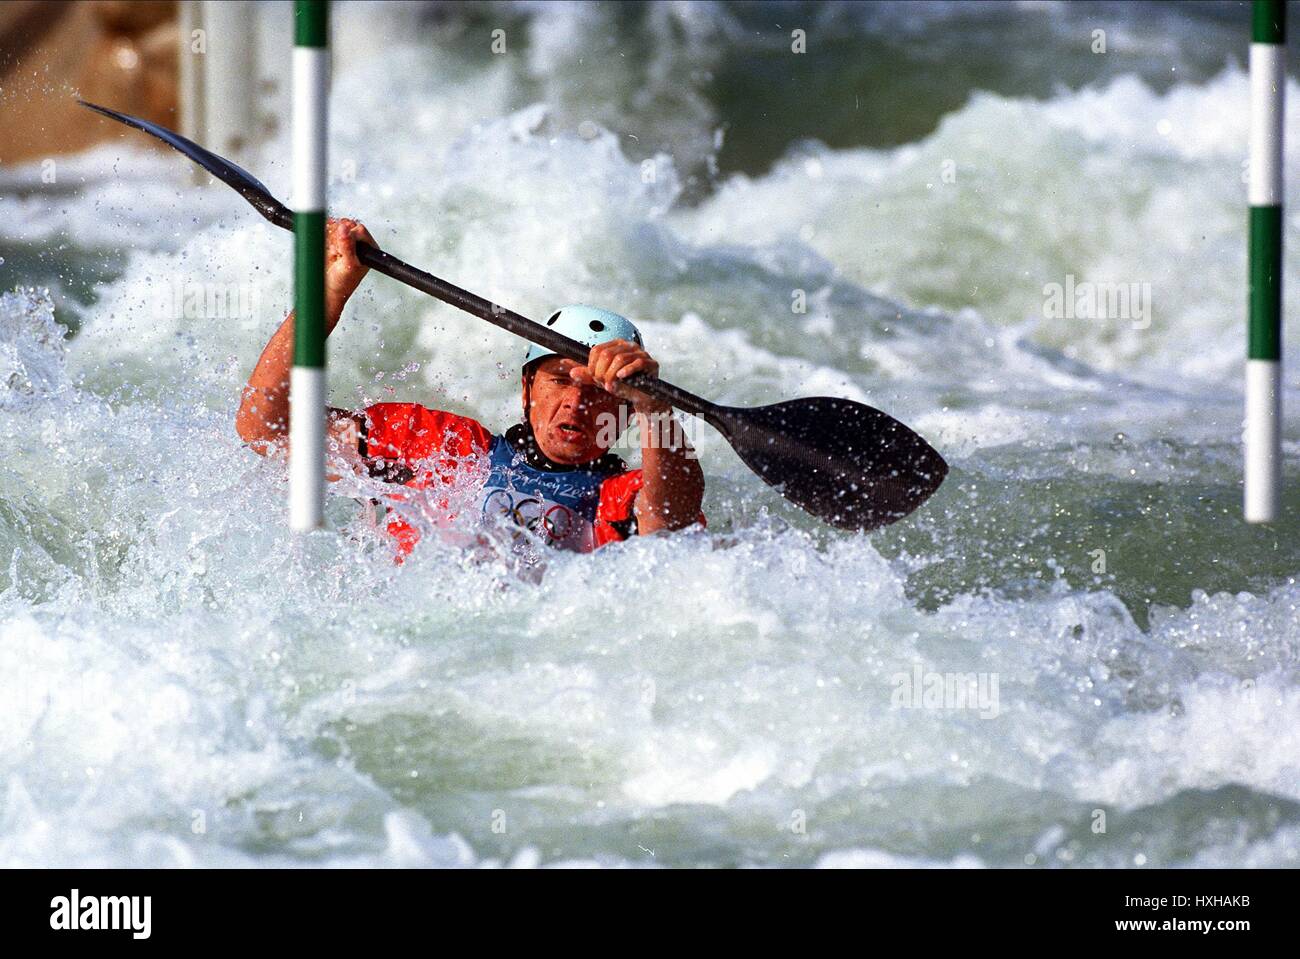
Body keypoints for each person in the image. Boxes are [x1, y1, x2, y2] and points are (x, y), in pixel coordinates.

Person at [234, 218, 706, 557]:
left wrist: (654, 406)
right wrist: (330, 293)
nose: (576, 402)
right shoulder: (442, 448)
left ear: (624, 415)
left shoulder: (624, 495)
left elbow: (673, 524)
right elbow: (265, 427)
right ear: (527, 390)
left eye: (600, 392)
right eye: (558, 380)